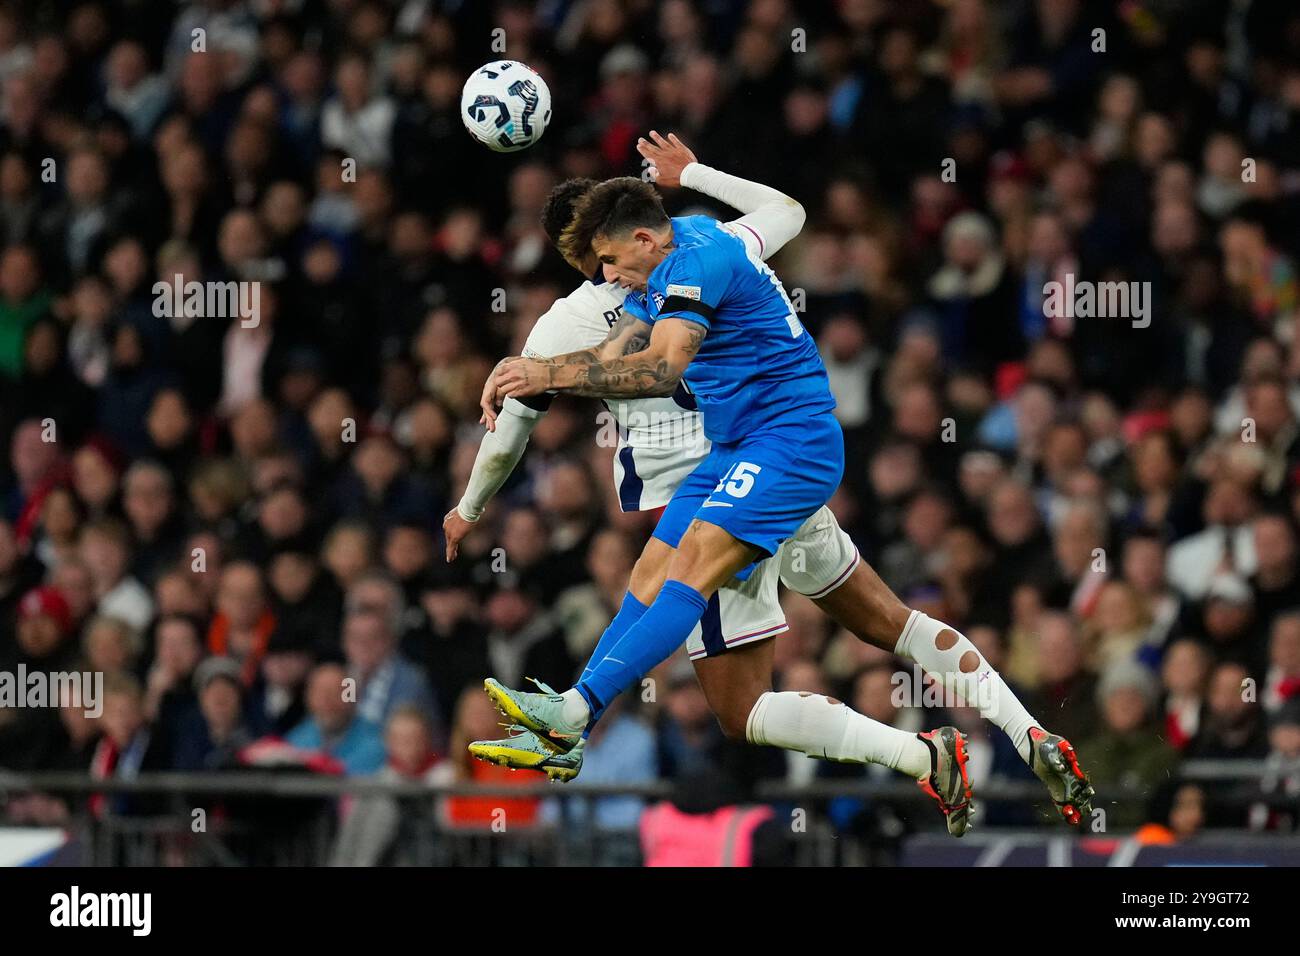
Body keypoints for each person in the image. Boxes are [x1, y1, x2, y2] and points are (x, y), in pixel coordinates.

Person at [455, 133, 1092, 833]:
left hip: (766, 460)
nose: (609, 278)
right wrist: (693, 171)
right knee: (879, 622)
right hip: (740, 459)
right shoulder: (689, 243)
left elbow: (633, 378)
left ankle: (575, 715)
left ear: (627, 239)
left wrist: (475, 497)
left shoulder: (661, 273)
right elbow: (781, 214)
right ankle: (1016, 736)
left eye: (607, 262)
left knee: (725, 671)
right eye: (597, 266)